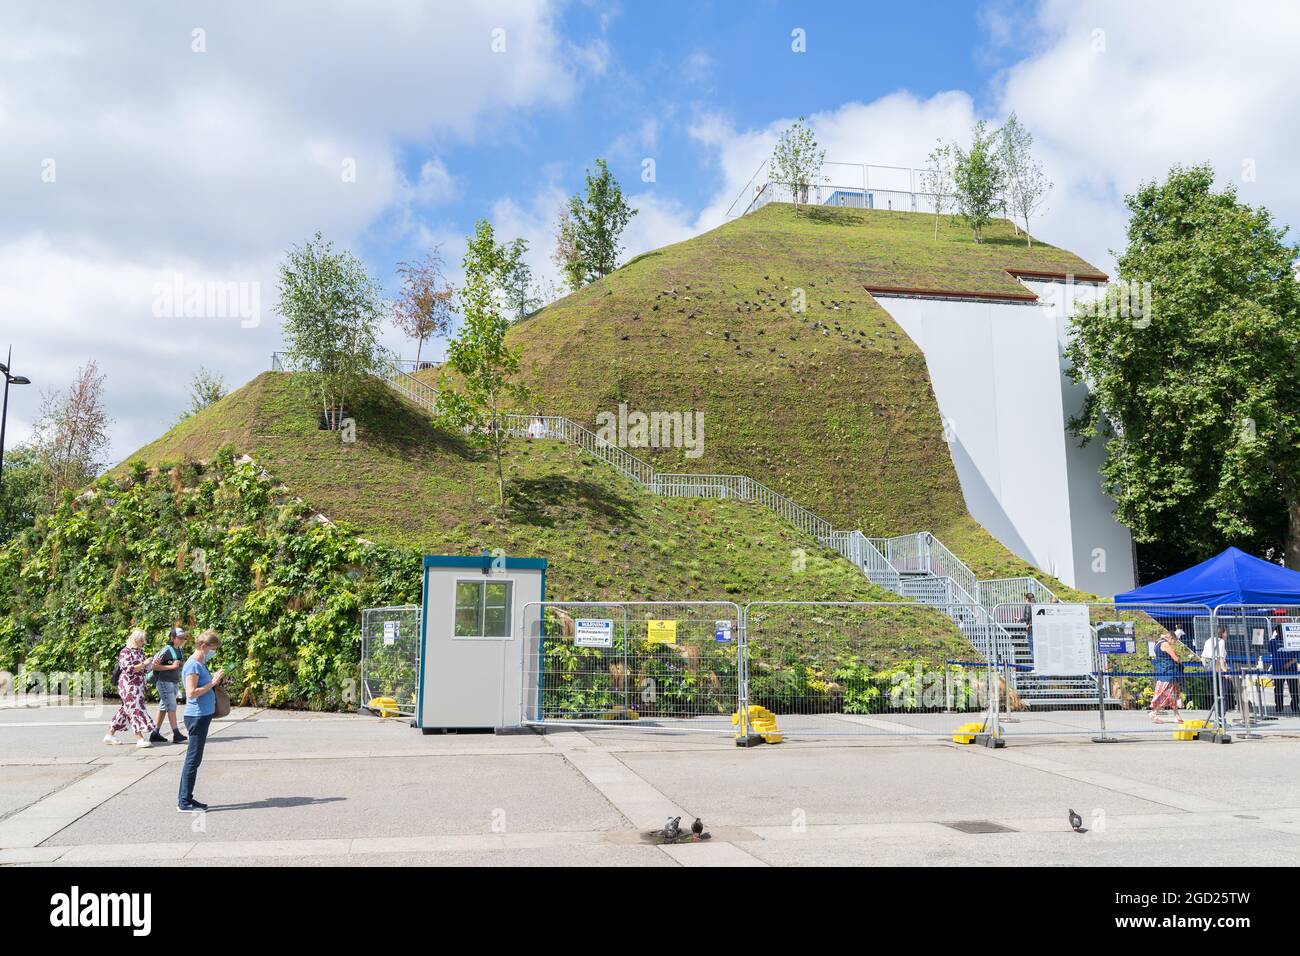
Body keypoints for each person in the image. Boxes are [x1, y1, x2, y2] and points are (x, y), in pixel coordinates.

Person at [178, 629, 225, 813]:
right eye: (212, 648)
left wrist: (216, 680)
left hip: (202, 715)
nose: (213, 652)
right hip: (196, 716)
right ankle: (184, 802)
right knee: (192, 759)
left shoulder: (200, 663)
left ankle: (187, 798)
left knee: (194, 759)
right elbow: (191, 693)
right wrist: (213, 682)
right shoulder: (193, 665)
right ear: (203, 646)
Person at [104, 629, 158, 748]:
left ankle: (109, 735)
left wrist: (151, 664)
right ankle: (139, 738)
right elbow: (128, 669)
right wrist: (144, 664)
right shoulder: (125, 651)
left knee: (125, 710)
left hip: (138, 686)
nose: (143, 643)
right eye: (141, 640)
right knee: (134, 710)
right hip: (127, 686)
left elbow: (144, 670)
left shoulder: (140, 651)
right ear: (135, 639)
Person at [149, 627, 188, 744]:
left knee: (163, 707)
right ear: (173, 638)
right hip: (164, 681)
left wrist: (181, 665)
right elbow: (154, 666)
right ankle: (176, 733)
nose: (182, 640)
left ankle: (155, 733)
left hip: (174, 681)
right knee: (171, 706)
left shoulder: (179, 650)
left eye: (183, 638)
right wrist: (172, 667)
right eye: (179, 638)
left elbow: (177, 665)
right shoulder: (166, 650)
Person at [1201, 626, 1238, 717]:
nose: (1227, 634)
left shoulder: (1208, 641)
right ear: (1222, 633)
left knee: (1216, 694)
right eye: (1225, 632)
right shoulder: (1221, 642)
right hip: (1218, 669)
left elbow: (1203, 658)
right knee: (1223, 695)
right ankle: (1221, 718)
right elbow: (1221, 659)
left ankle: (1218, 718)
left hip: (1209, 670)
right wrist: (1225, 672)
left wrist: (1207, 668)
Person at [1149, 631, 1184, 723]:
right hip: (1167, 672)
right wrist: (1180, 660)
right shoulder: (1165, 644)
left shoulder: (1158, 643)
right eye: (1174, 641)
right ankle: (1154, 712)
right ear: (1171, 638)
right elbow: (1175, 658)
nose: (1173, 643)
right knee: (1163, 692)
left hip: (1162, 671)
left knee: (1173, 694)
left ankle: (1176, 715)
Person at [1268, 621, 1300, 716]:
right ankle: (1293, 706)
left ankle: (1279, 707)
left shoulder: (1273, 642)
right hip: (1287, 669)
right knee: (1292, 689)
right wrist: (1290, 663)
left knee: (1279, 689)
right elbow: (1297, 656)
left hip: (1280, 669)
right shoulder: (1291, 641)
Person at [1020, 593, 1037, 657]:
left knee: (1032, 650)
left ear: (1027, 599)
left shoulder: (1028, 606)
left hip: (1031, 631)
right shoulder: (1036, 605)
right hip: (1038, 630)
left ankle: (1036, 666)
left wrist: (1021, 620)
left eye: (1025, 598)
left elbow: (1026, 618)